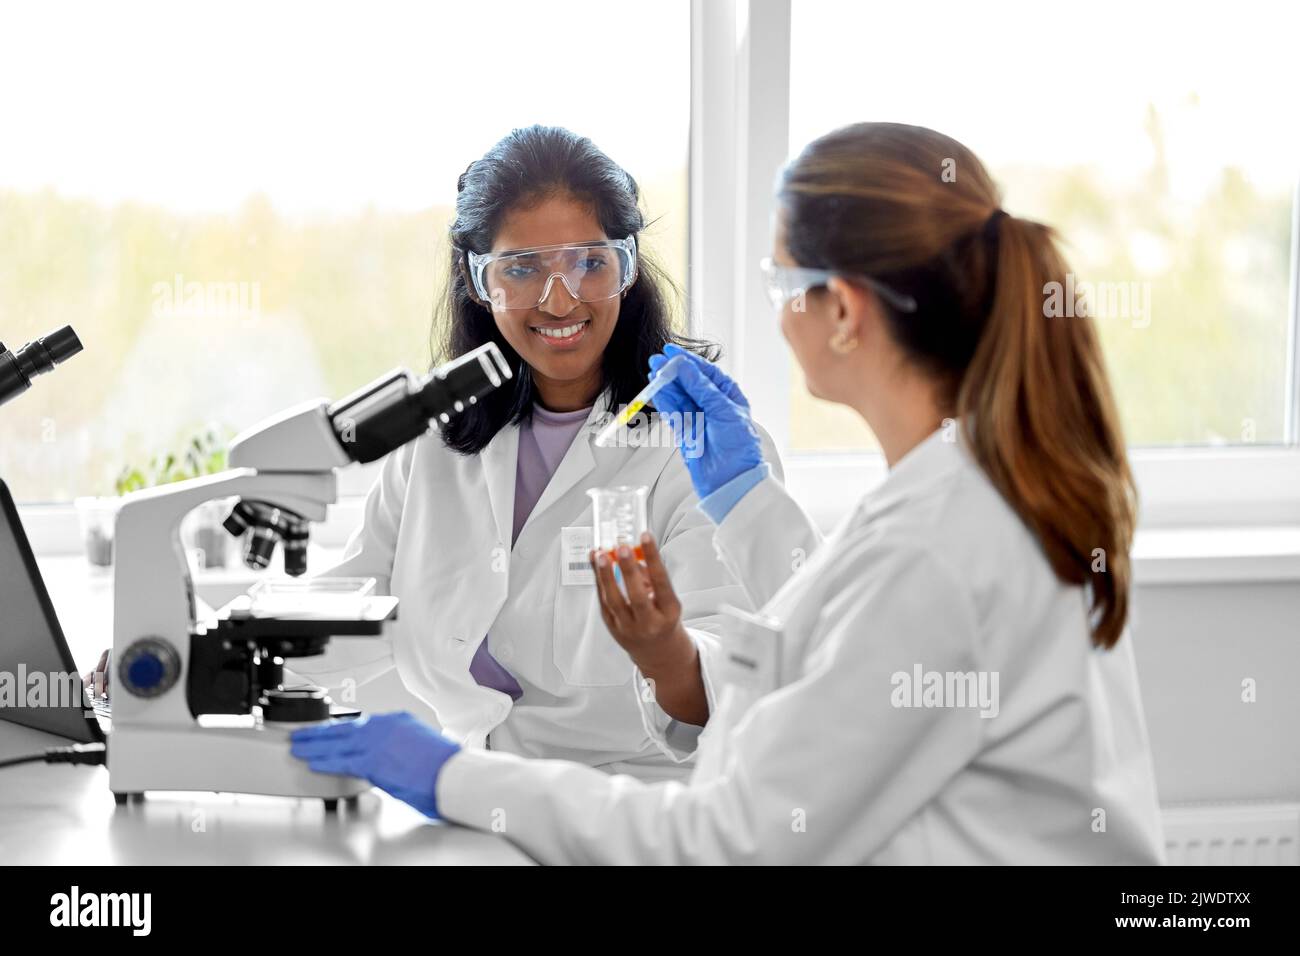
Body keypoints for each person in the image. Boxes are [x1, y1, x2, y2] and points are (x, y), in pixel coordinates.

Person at [290, 122, 1166, 864]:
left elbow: (736, 837)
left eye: (782, 283)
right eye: (522, 268)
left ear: (846, 311)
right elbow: (820, 673)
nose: (778, 316)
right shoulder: (963, 495)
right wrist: (747, 507)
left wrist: (448, 773)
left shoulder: (940, 542)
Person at [93, 125, 781, 783]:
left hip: (639, 812)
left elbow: (735, 678)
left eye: (590, 262)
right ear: (480, 283)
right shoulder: (437, 437)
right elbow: (359, 592)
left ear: (626, 268)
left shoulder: (698, 443)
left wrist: (664, 651)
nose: (560, 296)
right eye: (521, 268)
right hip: (471, 798)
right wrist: (192, 661)